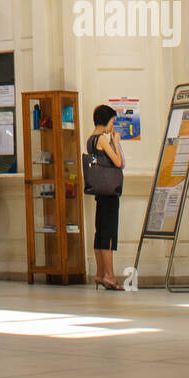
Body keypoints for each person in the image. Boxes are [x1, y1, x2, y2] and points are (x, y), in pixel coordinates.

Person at [88, 104, 124, 289]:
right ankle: (110, 275)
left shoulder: (90, 140)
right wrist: (115, 143)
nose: (112, 126)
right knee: (109, 233)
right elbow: (118, 162)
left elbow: (94, 163)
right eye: (112, 121)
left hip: (99, 190)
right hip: (110, 191)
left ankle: (100, 273)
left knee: (100, 231)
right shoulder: (102, 139)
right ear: (107, 120)